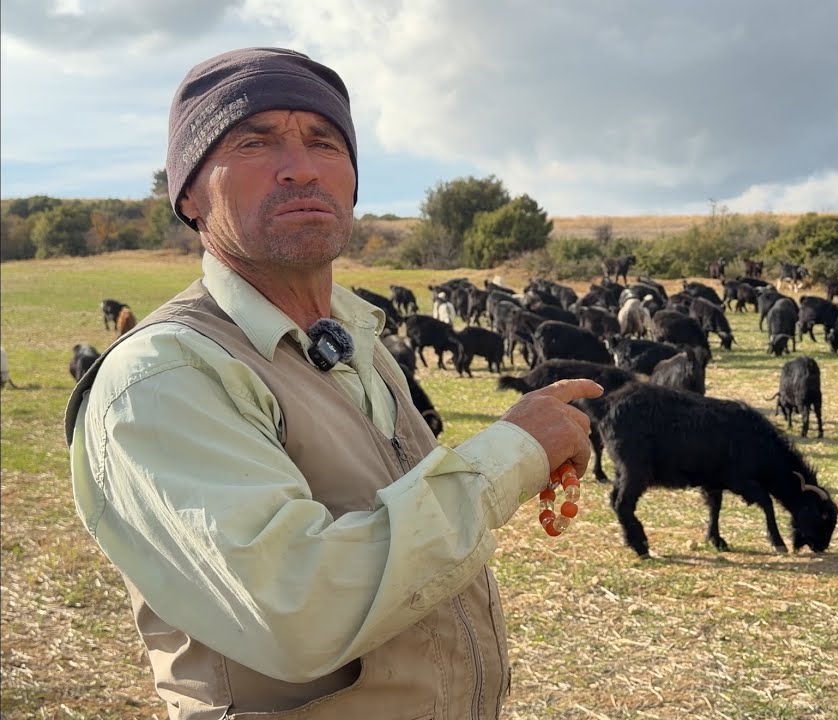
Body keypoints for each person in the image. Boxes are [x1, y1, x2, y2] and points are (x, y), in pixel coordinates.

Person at [65, 47, 602, 720]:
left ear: (351, 181)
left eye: (325, 142)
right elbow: (296, 606)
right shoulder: (167, 375)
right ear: (190, 196)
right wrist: (511, 455)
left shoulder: (355, 341)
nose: (301, 166)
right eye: (253, 142)